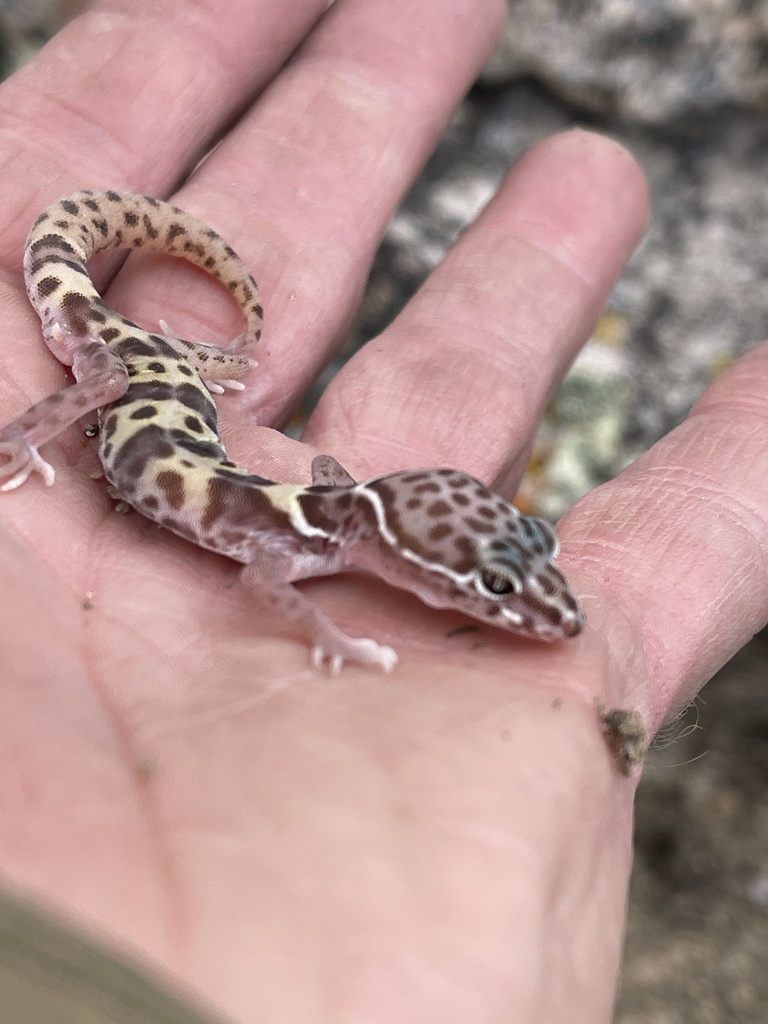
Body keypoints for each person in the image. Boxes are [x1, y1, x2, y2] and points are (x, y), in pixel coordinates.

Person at [1, 0, 763, 1020]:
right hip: (127, 379)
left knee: (143, 384)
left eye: (518, 560)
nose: (535, 608)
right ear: (416, 562)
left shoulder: (330, 512)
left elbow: (324, 503)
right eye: (495, 588)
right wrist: (324, 639)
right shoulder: (298, 540)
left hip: (174, 394)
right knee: (100, 385)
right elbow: (266, 586)